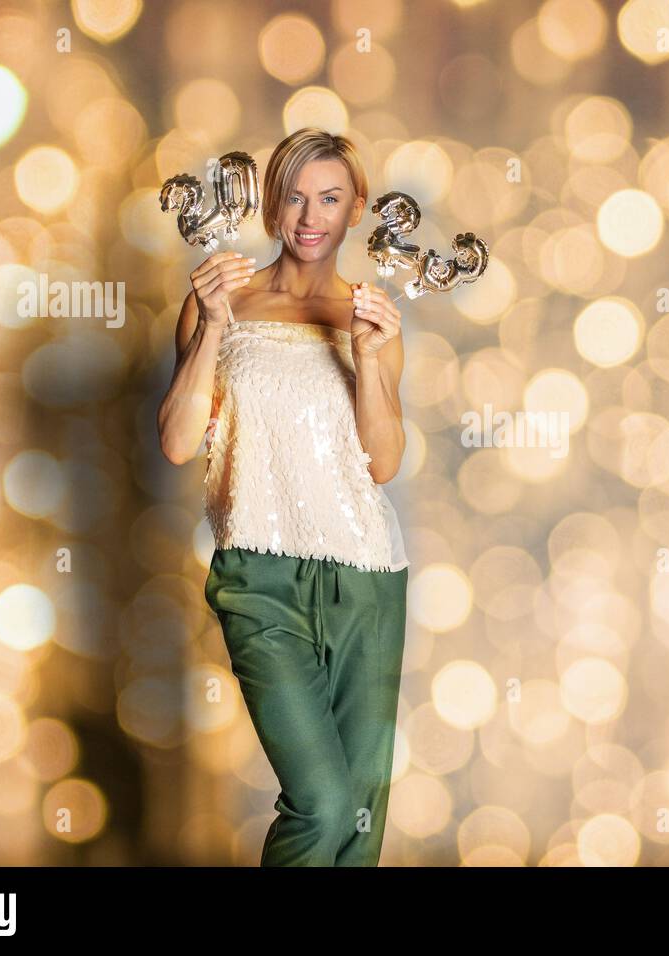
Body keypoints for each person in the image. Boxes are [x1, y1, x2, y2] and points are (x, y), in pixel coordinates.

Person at [157, 127, 409, 866]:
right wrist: (209, 328)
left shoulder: (372, 320)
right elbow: (176, 441)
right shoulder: (221, 303)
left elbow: (384, 462)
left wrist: (367, 358)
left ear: (355, 207)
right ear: (270, 207)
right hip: (259, 578)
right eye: (295, 197)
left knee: (358, 822)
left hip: (366, 574)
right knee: (322, 803)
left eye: (329, 198)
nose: (310, 215)